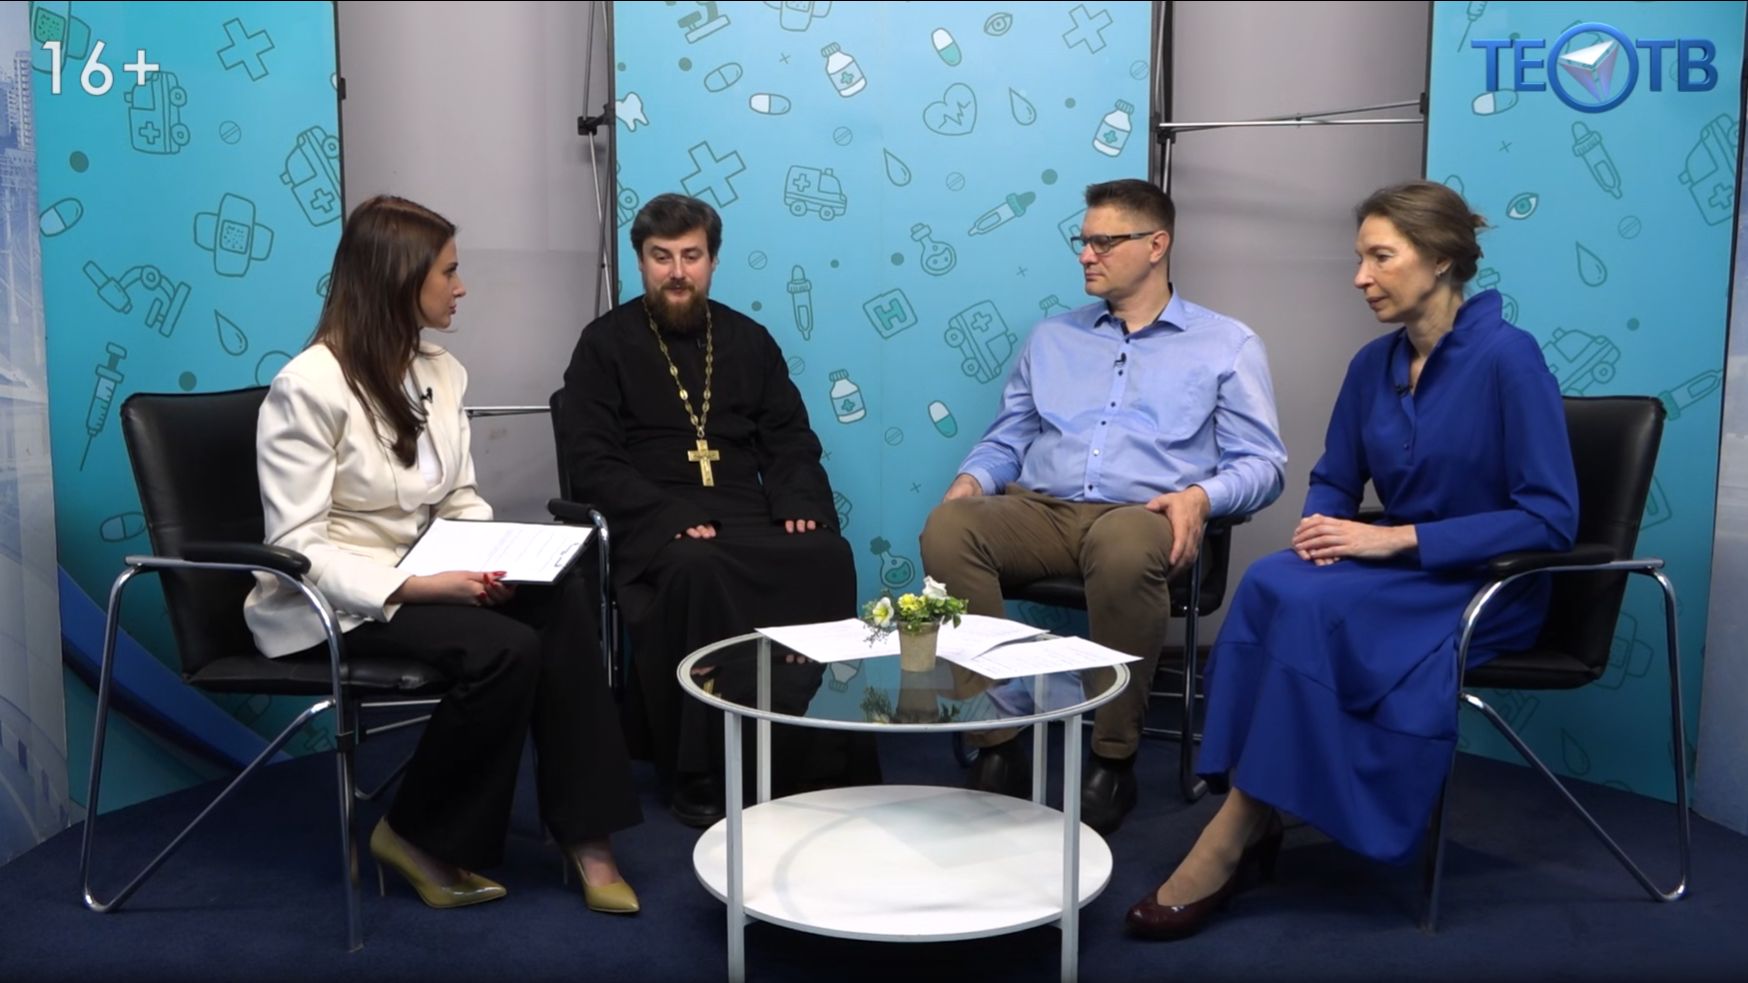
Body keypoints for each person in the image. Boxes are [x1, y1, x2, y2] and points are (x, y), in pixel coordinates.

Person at [1125, 180, 1580, 941]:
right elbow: (1336, 477)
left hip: (1485, 585)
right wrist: (1319, 529)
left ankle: (1235, 831)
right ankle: (1252, 795)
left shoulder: (1511, 358)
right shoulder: (1373, 363)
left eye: (1380, 257)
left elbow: (1550, 517)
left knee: (1316, 607)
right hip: (1398, 572)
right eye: (1359, 258)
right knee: (1274, 579)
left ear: (1440, 259)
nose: (1360, 277)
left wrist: (1394, 540)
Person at [243, 195, 642, 915]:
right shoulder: (307, 386)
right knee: (506, 649)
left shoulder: (440, 371)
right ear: (400, 280)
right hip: (336, 604)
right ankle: (415, 835)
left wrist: (490, 558)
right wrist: (423, 586)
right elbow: (297, 548)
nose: (462, 287)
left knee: (561, 595)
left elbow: (458, 498)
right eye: (449, 272)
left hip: (429, 569)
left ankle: (587, 835)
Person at [919, 178, 1288, 835]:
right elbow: (1008, 439)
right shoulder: (1051, 338)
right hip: (1044, 511)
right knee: (948, 528)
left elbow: (1264, 465)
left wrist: (1201, 496)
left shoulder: (1226, 343)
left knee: (1122, 545)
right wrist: (971, 482)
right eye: (1083, 241)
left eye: (1104, 242)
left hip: (1145, 518)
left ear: (1157, 245)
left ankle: (1113, 758)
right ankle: (998, 740)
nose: (1086, 254)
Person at [556, 193, 879, 828]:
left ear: (713, 261)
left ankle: (813, 751)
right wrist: (666, 515)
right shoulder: (604, 344)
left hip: (745, 511)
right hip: (654, 520)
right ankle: (702, 768)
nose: (677, 272)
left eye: (691, 256)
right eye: (662, 257)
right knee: (696, 567)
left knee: (824, 553)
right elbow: (592, 459)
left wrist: (798, 501)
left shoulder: (747, 341)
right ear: (640, 261)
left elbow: (789, 437)